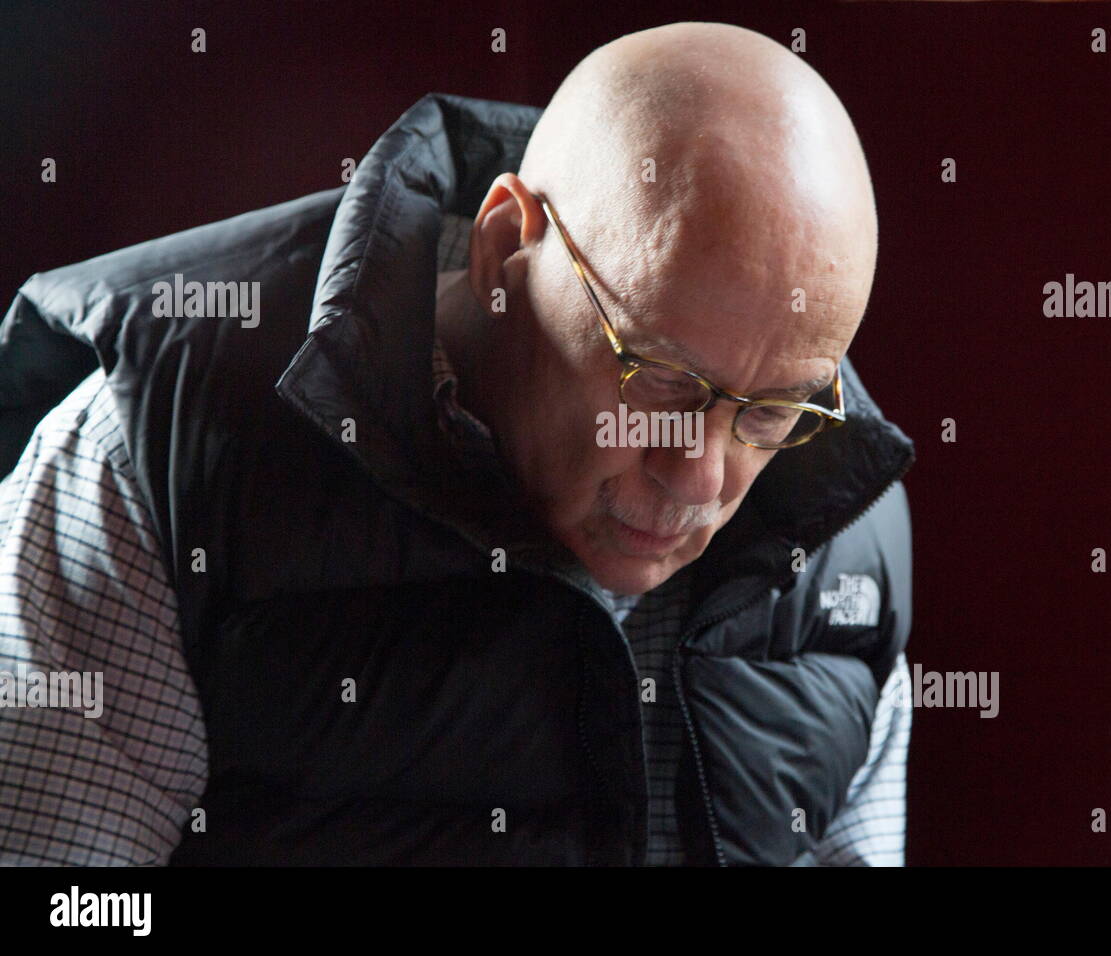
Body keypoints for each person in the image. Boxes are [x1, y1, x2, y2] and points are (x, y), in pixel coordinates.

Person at [0, 21, 915, 866]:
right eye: (662, 377)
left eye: (769, 411)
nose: (700, 476)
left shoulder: (837, 518)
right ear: (506, 248)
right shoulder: (154, 463)